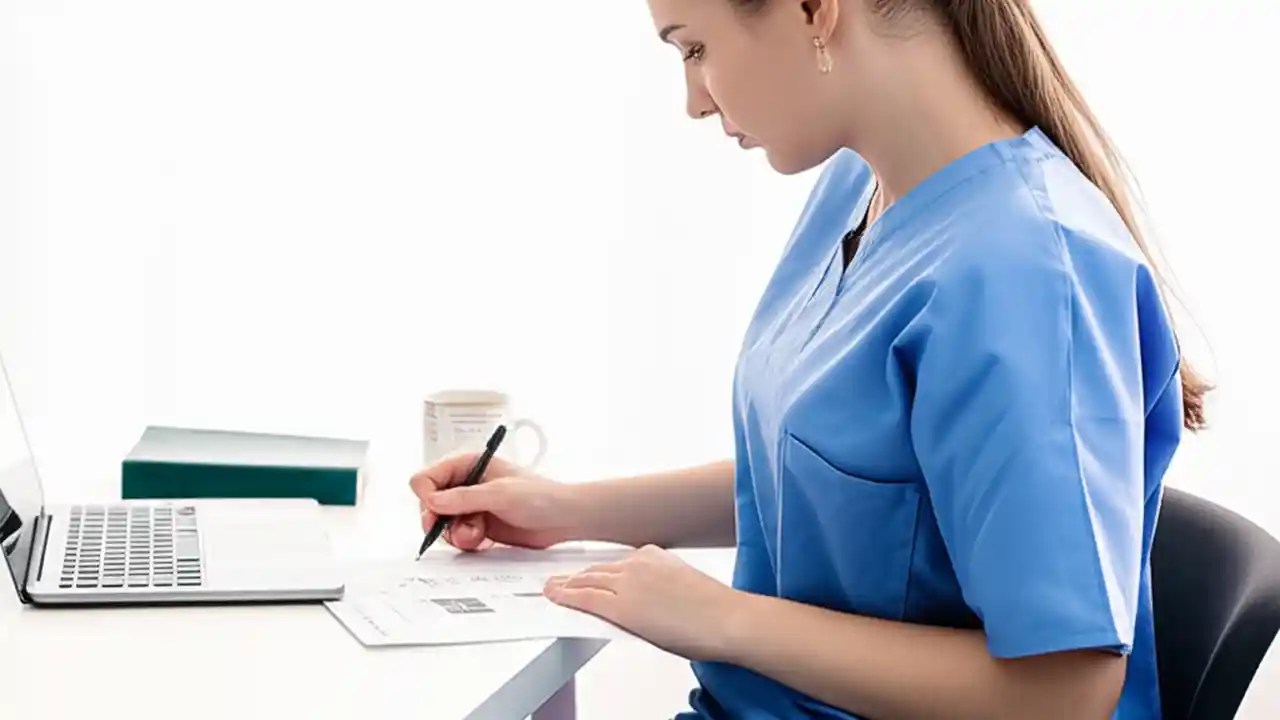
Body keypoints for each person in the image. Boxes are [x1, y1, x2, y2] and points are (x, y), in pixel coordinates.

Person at [410, 1, 1211, 717]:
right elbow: (836, 484)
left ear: (815, 9)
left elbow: (1064, 694)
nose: (693, 99)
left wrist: (724, 620)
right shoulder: (859, 188)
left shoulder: (1027, 271)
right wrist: (566, 510)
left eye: (693, 49)